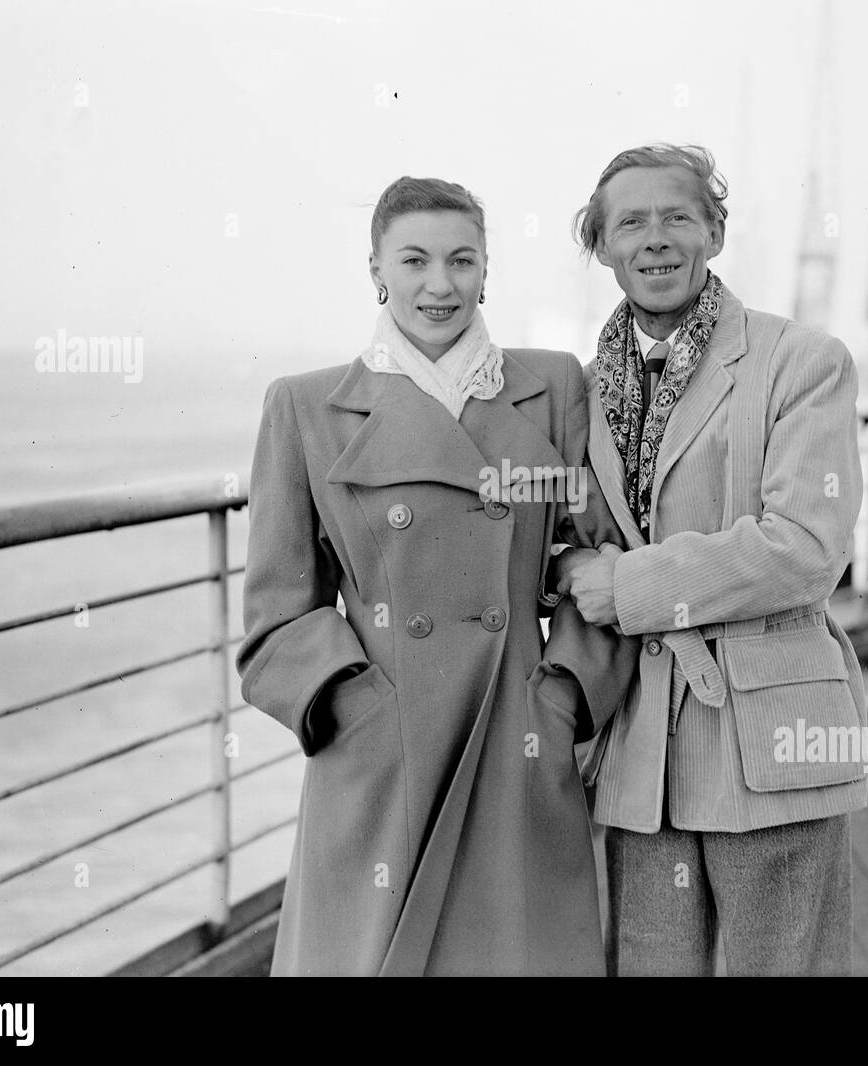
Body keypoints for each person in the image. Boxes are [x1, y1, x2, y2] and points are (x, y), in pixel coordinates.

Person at [236, 176, 637, 976]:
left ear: (487, 272)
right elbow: (278, 619)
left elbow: (604, 563)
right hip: (384, 764)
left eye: (461, 260)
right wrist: (358, 714)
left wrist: (559, 701)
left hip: (515, 742)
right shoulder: (306, 408)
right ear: (376, 271)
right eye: (414, 260)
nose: (439, 284)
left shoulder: (554, 386)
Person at [556, 144, 868, 976]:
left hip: (773, 741)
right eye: (630, 222)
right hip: (641, 761)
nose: (655, 240)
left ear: (715, 232)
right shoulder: (579, 391)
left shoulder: (802, 361)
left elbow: (804, 547)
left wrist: (623, 585)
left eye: (677, 217)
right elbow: (558, 537)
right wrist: (564, 570)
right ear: (602, 246)